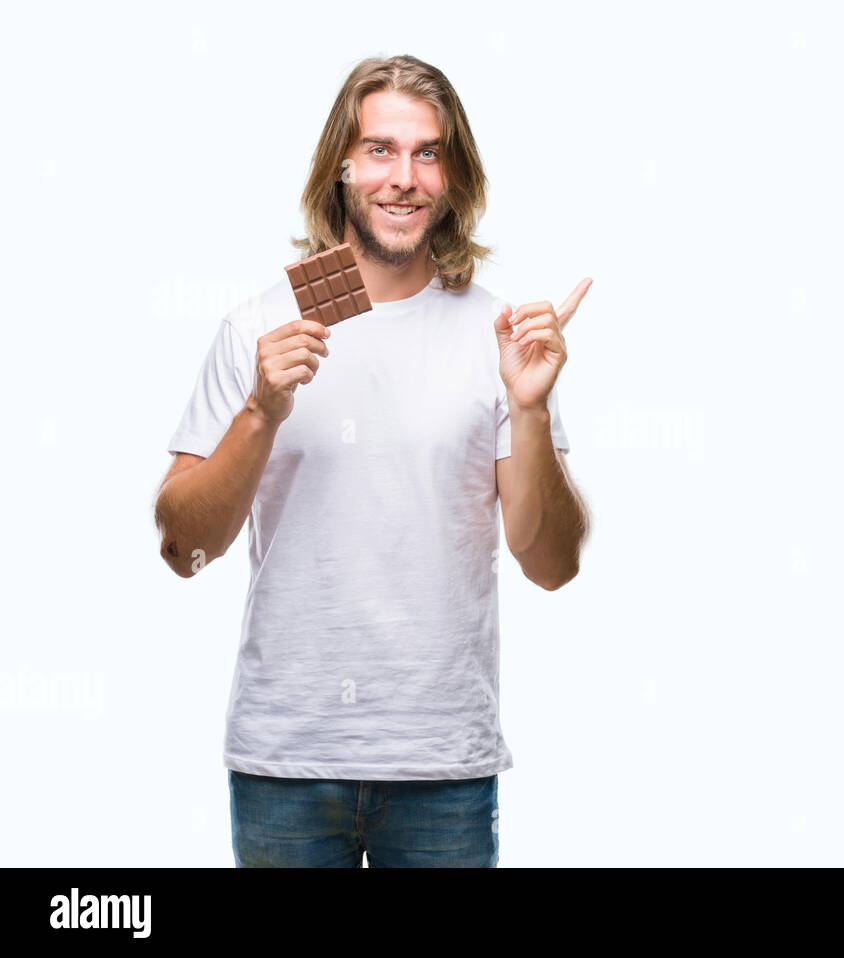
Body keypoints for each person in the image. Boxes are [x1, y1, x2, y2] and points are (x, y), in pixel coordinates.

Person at [152, 54, 591, 868]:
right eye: (381, 150)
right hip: (287, 764)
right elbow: (184, 549)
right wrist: (259, 413)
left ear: (454, 178)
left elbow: (553, 563)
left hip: (442, 770)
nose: (405, 177)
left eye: (428, 153)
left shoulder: (501, 340)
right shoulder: (258, 328)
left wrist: (528, 411)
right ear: (341, 167)